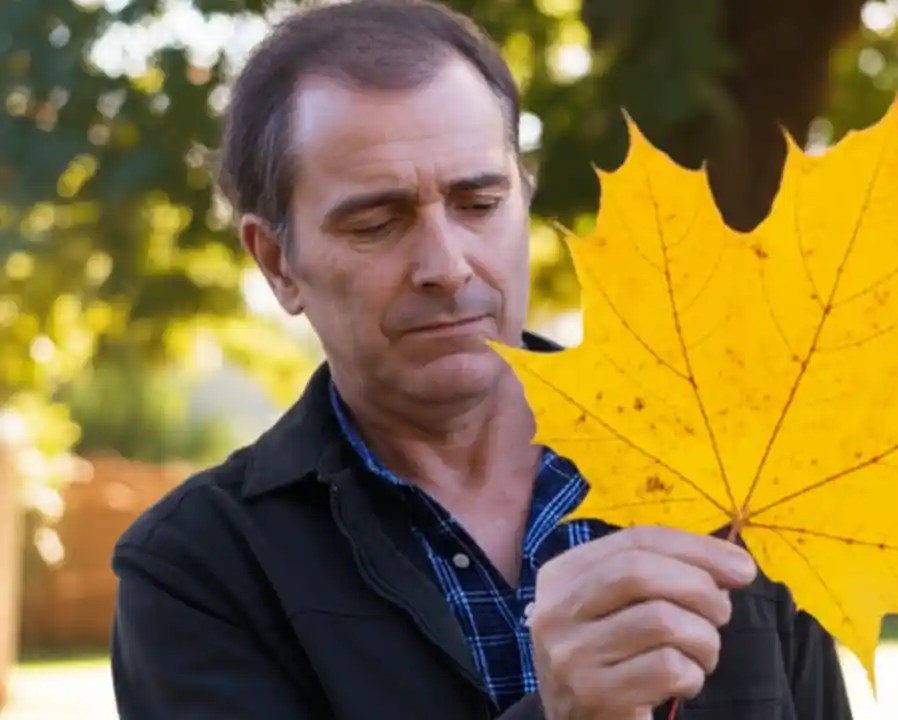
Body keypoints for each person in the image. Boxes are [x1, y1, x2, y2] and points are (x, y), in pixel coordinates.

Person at [109, 1, 854, 718]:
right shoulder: (198, 569)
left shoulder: (730, 472)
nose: (447, 265)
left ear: (524, 198)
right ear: (277, 263)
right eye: (377, 222)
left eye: (478, 205)